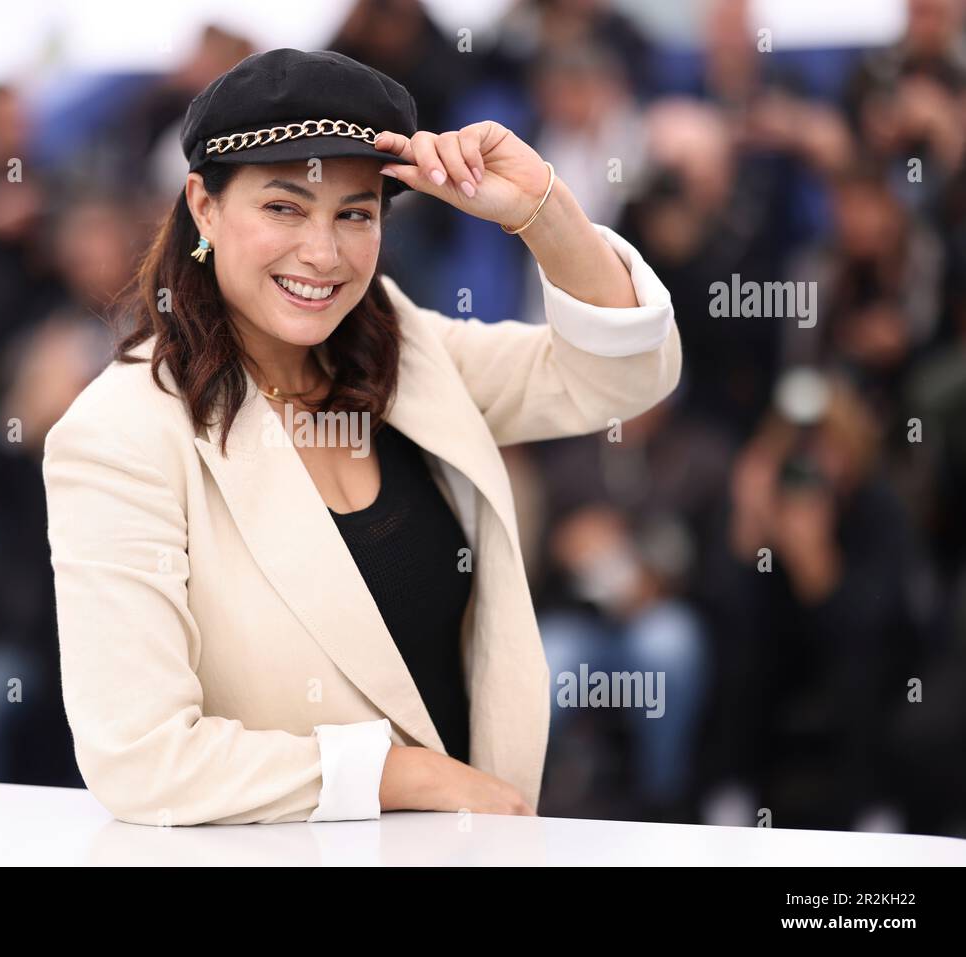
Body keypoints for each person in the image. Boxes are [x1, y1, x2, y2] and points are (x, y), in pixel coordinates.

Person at [43, 48, 682, 825]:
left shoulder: (400, 347)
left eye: (355, 212)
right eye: (284, 207)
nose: (323, 253)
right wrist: (402, 776)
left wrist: (540, 211)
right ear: (204, 207)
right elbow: (140, 755)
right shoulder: (122, 434)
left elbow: (619, 376)